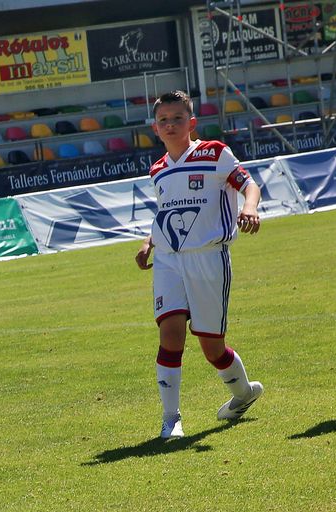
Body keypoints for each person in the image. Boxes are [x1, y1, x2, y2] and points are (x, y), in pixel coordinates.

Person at [134, 90, 264, 439]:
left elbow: (249, 185)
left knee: (212, 347)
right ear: (155, 129)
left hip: (209, 257)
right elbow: (167, 213)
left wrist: (249, 207)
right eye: (163, 120)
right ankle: (171, 418)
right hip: (168, 261)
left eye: (177, 118)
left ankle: (243, 394)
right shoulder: (158, 169)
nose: (170, 124)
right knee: (170, 334)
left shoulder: (215, 153)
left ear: (191, 122)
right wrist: (149, 242)